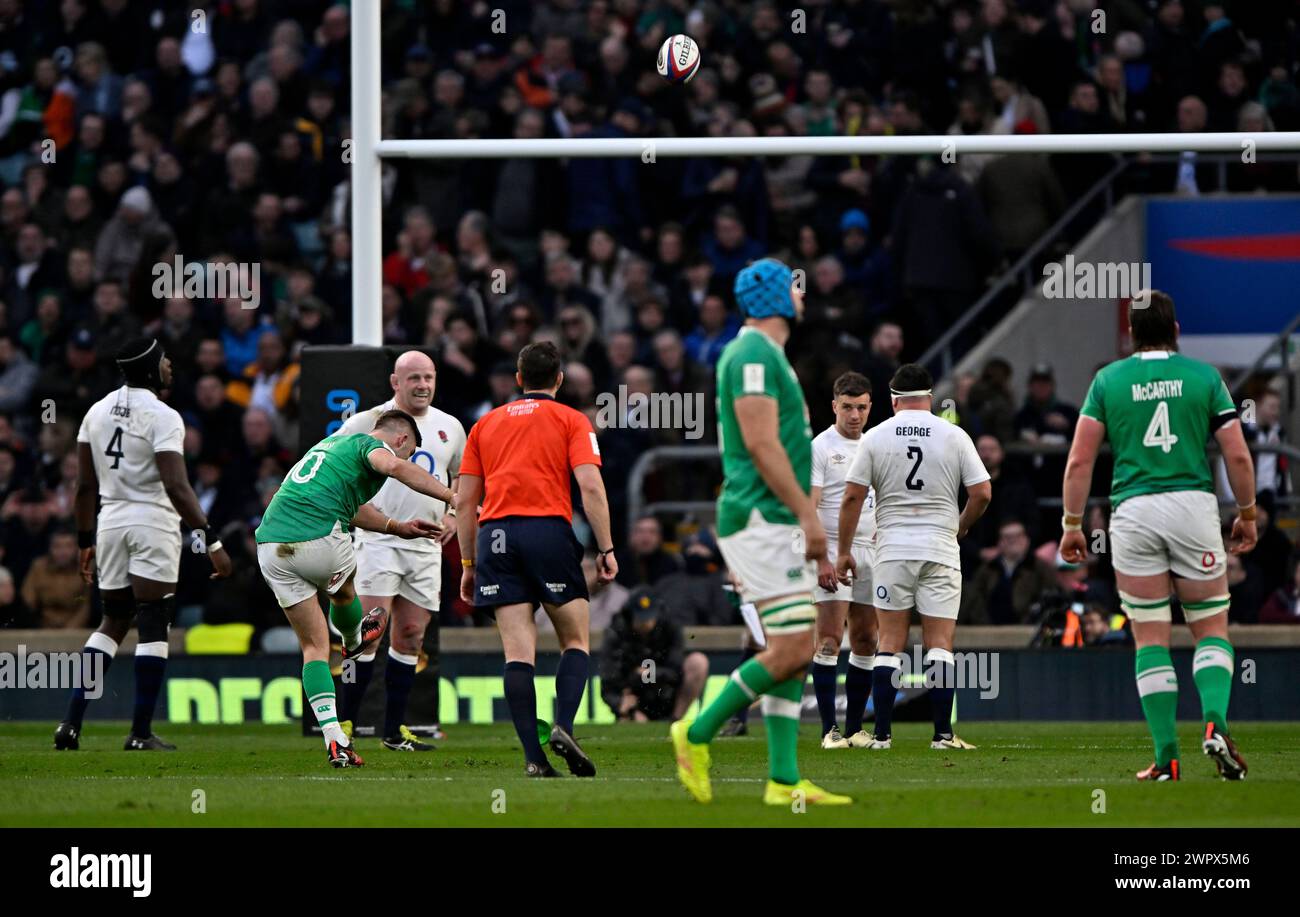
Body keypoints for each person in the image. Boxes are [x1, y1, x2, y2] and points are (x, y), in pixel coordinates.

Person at [670, 257, 851, 807]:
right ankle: (694, 734)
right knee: (796, 645)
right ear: (775, 294)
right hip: (761, 515)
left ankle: (783, 779)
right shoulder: (750, 352)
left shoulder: (766, 353)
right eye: (795, 287)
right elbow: (760, 442)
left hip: (772, 515)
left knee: (794, 649)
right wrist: (804, 513)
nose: (803, 295)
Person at [1061, 290, 1257, 782]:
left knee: (1149, 636)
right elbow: (1236, 454)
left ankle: (1167, 756)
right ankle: (1215, 721)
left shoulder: (1108, 380)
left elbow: (1080, 460)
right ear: (1176, 330)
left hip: (1133, 512)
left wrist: (1071, 523)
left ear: (1130, 333)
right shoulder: (1204, 377)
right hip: (1192, 506)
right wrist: (1248, 513)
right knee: (1210, 627)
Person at [57, 338, 233, 752]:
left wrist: (85, 539)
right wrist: (211, 537)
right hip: (151, 521)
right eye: (165, 360)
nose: (170, 365)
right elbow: (176, 484)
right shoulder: (164, 416)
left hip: (110, 521)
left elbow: (84, 485)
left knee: (112, 622)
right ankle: (139, 732)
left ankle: (70, 724)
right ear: (152, 370)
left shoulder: (95, 411)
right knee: (154, 621)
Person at [455, 341, 617, 778]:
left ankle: (534, 758)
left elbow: (465, 501)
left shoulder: (485, 424)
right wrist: (606, 548)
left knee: (517, 654)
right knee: (575, 641)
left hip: (497, 536)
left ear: (518, 380)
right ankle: (563, 725)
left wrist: (468, 565)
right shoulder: (572, 419)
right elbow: (592, 488)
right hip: (547, 530)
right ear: (560, 380)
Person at [255, 410, 452, 768]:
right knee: (344, 594)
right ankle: (353, 639)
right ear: (401, 441)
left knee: (314, 648)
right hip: (319, 539)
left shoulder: (331, 445)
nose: (400, 459)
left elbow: (354, 508)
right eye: (404, 453)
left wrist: (396, 526)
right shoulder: (372, 445)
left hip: (270, 546)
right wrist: (452, 497)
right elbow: (393, 467)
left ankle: (335, 739)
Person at [836, 362, 991, 751]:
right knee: (939, 642)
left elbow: (853, 496)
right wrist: (960, 525)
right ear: (930, 399)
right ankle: (942, 735)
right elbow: (983, 492)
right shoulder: (953, 435)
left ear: (891, 401)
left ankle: (883, 736)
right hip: (939, 546)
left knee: (889, 641)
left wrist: (842, 551)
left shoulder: (874, 437)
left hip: (892, 548)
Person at [336, 351, 466, 752]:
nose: (423, 385)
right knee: (368, 635)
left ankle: (393, 733)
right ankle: (345, 727)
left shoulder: (450, 427)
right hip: (379, 541)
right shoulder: (365, 423)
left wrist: (454, 517)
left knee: (410, 637)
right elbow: (335, 468)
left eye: (428, 377)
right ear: (395, 382)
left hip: (426, 547)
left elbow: (461, 477)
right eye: (414, 378)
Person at [809, 371, 879, 749]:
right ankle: (827, 731)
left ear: (871, 408)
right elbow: (811, 504)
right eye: (848, 407)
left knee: (867, 639)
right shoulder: (820, 447)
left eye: (862, 408)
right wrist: (822, 558)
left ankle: (854, 729)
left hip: (871, 549)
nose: (855, 415)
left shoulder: (877, 444)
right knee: (832, 638)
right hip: (834, 548)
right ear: (834, 406)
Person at [599, 588, 709, 722]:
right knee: (628, 722)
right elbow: (608, 683)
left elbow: (676, 670)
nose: (647, 623)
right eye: (640, 618)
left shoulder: (670, 627)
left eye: (650, 617)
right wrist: (621, 704)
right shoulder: (616, 632)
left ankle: (675, 719)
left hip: (665, 694)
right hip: (635, 698)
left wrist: (649, 673)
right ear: (630, 614)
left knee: (698, 661)